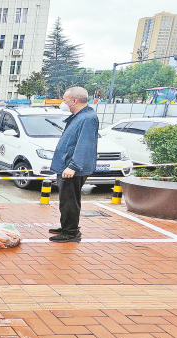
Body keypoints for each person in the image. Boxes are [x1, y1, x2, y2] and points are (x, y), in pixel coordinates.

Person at [49, 87, 99, 243]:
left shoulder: (87, 118)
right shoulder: (79, 116)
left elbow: (85, 144)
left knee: (69, 200)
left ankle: (70, 232)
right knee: (66, 199)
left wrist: (73, 166)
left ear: (74, 101)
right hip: (66, 165)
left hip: (72, 168)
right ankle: (67, 226)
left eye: (65, 100)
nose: (63, 103)